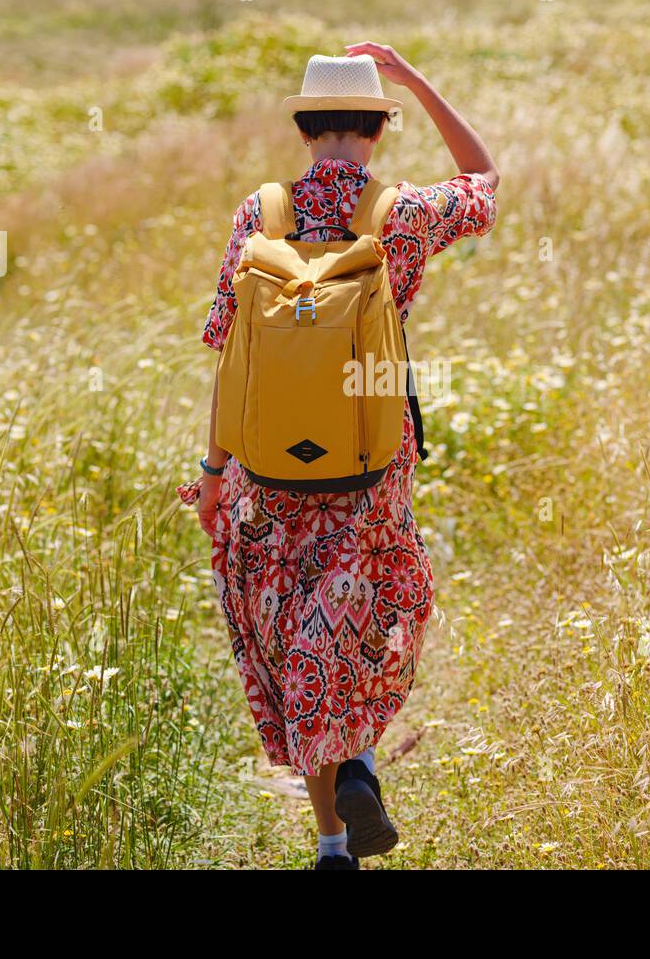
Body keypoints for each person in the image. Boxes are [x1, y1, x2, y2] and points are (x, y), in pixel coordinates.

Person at [179, 42, 499, 869]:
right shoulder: (401, 213)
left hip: (268, 465)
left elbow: (231, 353)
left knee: (294, 640)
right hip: (371, 460)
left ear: (307, 124)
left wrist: (215, 475)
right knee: (362, 623)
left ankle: (331, 840)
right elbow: (485, 180)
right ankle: (357, 756)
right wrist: (419, 79)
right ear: (377, 128)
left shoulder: (261, 214)